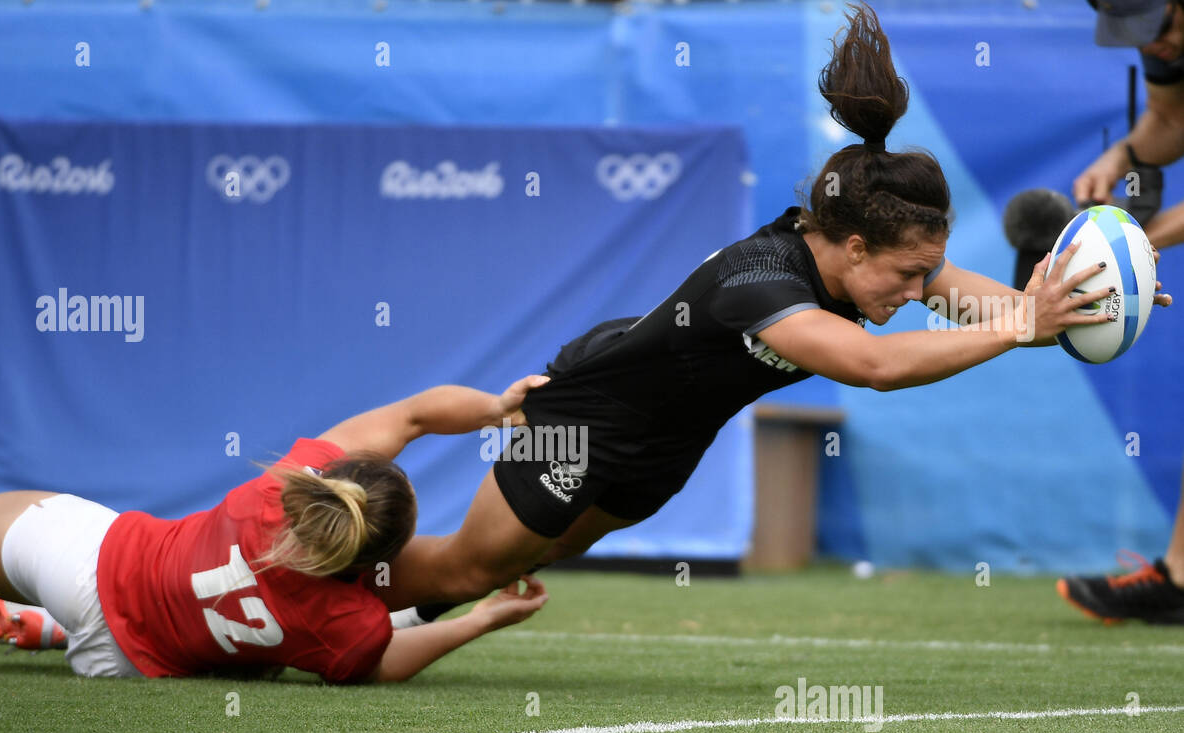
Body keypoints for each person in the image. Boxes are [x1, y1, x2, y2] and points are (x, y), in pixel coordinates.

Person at [379, 2, 1171, 624]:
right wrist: (1020, 324)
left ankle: (396, 617)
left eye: (927, 272)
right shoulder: (759, 282)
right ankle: (312, 583)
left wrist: (1087, 301)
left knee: (544, 550)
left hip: (668, 443)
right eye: (906, 274)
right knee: (475, 566)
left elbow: (1012, 314)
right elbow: (875, 367)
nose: (918, 289)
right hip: (589, 411)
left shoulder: (883, 261)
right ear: (854, 247)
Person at [0, 378, 550, 683]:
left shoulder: (278, 487)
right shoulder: (344, 619)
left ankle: (52, 618)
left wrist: (497, 407)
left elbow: (412, 415)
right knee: (266, 662)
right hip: (128, 665)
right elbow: (382, 661)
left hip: (87, 564)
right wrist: (482, 620)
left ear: (332, 482)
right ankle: (52, 629)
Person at [1056, 0, 1184, 625]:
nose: (1155, 45)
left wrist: (1136, 244)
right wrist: (1124, 156)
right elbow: (1169, 118)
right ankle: (1181, 580)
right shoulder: (1168, 40)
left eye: (1160, 26)